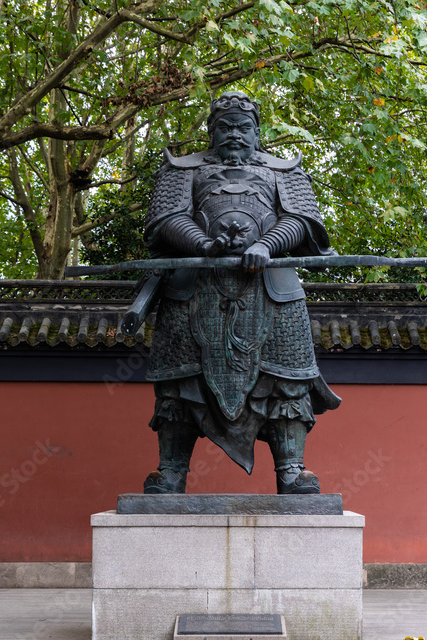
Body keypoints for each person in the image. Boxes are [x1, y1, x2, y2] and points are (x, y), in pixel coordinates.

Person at [142, 91, 341, 495]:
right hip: (193, 290)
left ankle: (291, 468)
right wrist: (202, 244)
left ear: (257, 132)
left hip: (272, 291)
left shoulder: (284, 171)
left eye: (243, 127)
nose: (234, 134)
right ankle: (171, 471)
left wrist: (267, 245)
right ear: (211, 132)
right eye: (225, 127)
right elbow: (165, 222)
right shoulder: (181, 169)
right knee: (180, 384)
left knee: (286, 381)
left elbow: (303, 223)